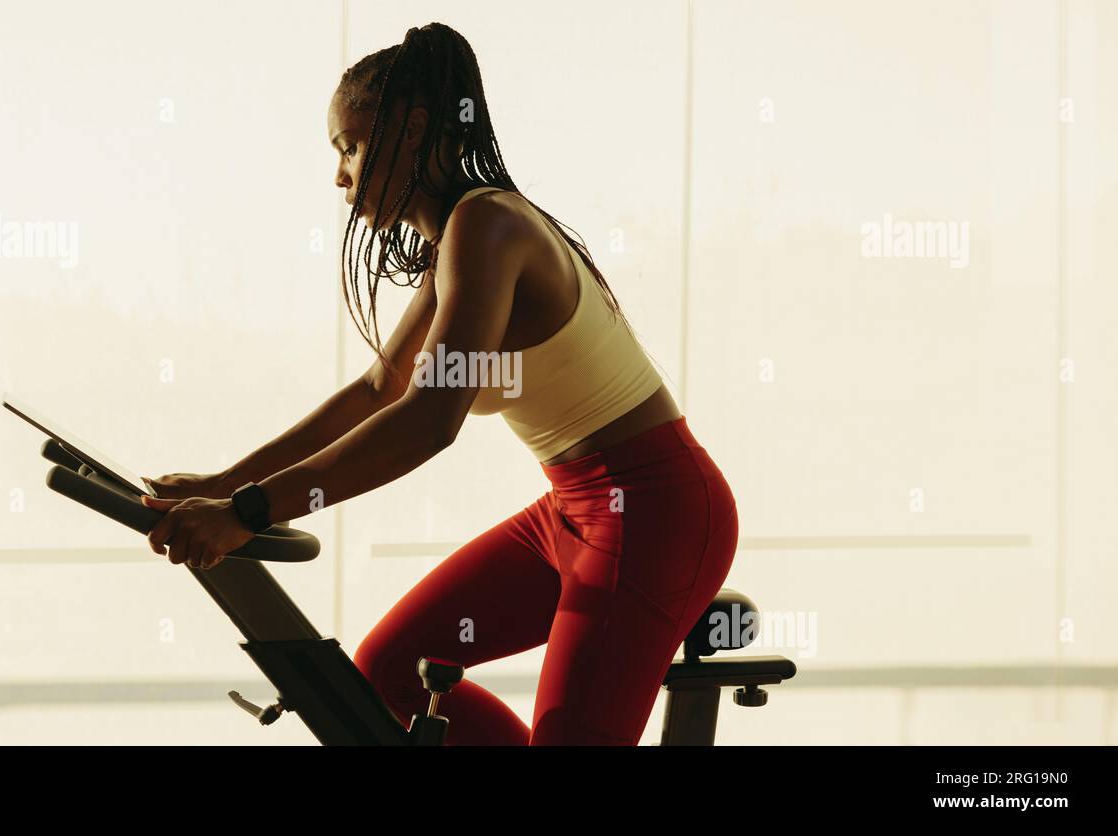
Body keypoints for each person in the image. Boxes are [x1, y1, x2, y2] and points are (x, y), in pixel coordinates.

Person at [139, 22, 739, 746]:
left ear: (414, 128)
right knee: (391, 670)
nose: (340, 176)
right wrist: (225, 483)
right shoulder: (455, 243)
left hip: (653, 510)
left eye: (349, 147)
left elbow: (429, 420)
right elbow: (376, 391)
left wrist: (249, 510)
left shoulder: (488, 226)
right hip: (571, 511)